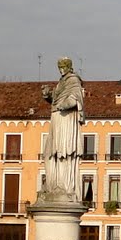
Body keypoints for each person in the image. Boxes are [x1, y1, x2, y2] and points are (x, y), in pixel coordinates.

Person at [41, 57, 85, 198]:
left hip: (66, 120)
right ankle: (53, 184)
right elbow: (56, 99)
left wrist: (64, 105)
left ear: (69, 67)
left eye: (63, 66)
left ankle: (65, 185)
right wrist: (48, 95)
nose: (61, 69)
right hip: (57, 118)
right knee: (51, 152)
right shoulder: (62, 82)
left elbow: (76, 98)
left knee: (64, 150)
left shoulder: (73, 80)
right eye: (59, 67)